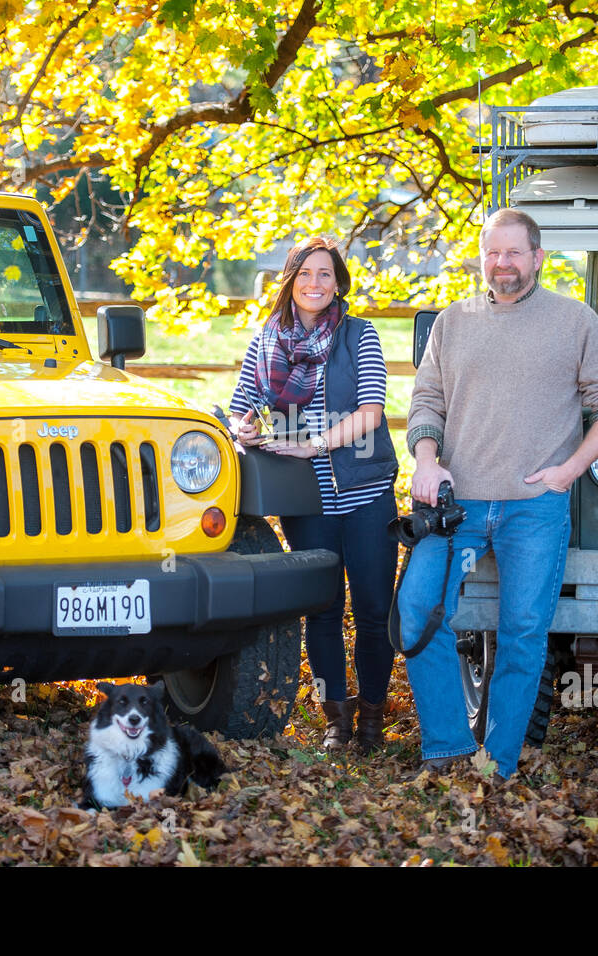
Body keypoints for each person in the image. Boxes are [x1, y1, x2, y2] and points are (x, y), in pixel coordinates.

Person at [399, 208, 598, 779]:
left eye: (513, 253)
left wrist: (571, 469)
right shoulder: (452, 323)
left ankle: (496, 764)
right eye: (491, 253)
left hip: (536, 508)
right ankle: (449, 746)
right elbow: (426, 403)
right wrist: (428, 462)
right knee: (416, 616)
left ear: (537, 257)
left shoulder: (575, 321)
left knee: (524, 634)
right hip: (457, 507)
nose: (501, 263)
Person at [228, 237, 399, 752]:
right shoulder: (266, 342)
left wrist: (313, 445)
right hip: (308, 499)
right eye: (306, 273)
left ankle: (371, 718)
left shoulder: (360, 335)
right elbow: (240, 409)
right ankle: (336, 719)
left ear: (338, 283)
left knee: (372, 609)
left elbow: (371, 413)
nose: (315, 283)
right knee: (320, 611)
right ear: (290, 280)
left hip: (365, 493)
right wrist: (247, 431)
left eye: (326, 274)